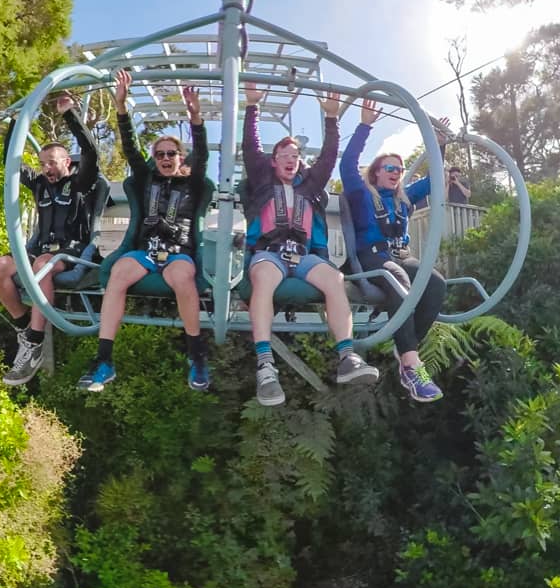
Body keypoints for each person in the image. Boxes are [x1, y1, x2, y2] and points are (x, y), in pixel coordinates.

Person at [240, 83, 379, 406]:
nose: (290, 159)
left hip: (301, 256)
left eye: (295, 156)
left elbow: (329, 158)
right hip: (269, 254)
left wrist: (331, 119)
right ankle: (265, 364)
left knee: (335, 279)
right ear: (272, 162)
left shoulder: (310, 187)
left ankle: (346, 356)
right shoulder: (262, 181)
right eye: (283, 156)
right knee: (262, 279)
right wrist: (252, 107)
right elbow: (251, 146)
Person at [78, 70, 212, 392]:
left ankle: (196, 356)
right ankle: (104, 360)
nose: (165, 158)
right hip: (146, 251)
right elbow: (129, 148)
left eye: (171, 154)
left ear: (181, 158)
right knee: (118, 274)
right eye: (160, 154)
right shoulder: (146, 178)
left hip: (179, 252)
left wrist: (196, 117)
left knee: (182, 277)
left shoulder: (192, 182)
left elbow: (203, 153)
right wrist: (121, 107)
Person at [339, 98, 470, 402]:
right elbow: (346, 165)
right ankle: (412, 365)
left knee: (435, 283)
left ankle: (406, 348)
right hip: (372, 257)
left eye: (398, 168)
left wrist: (438, 146)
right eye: (389, 167)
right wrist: (365, 125)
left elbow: (435, 178)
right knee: (400, 280)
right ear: (375, 172)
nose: (396, 172)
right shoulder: (361, 194)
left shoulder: (404, 198)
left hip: (400, 257)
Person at [0, 90, 101, 385]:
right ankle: (25, 326)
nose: (47, 169)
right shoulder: (40, 184)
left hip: (71, 253)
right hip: (40, 251)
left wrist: (69, 114)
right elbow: (10, 164)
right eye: (43, 164)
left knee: (42, 265)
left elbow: (90, 152)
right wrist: (16, 122)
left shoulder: (80, 182)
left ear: (67, 162)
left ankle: (35, 342)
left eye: (52, 163)